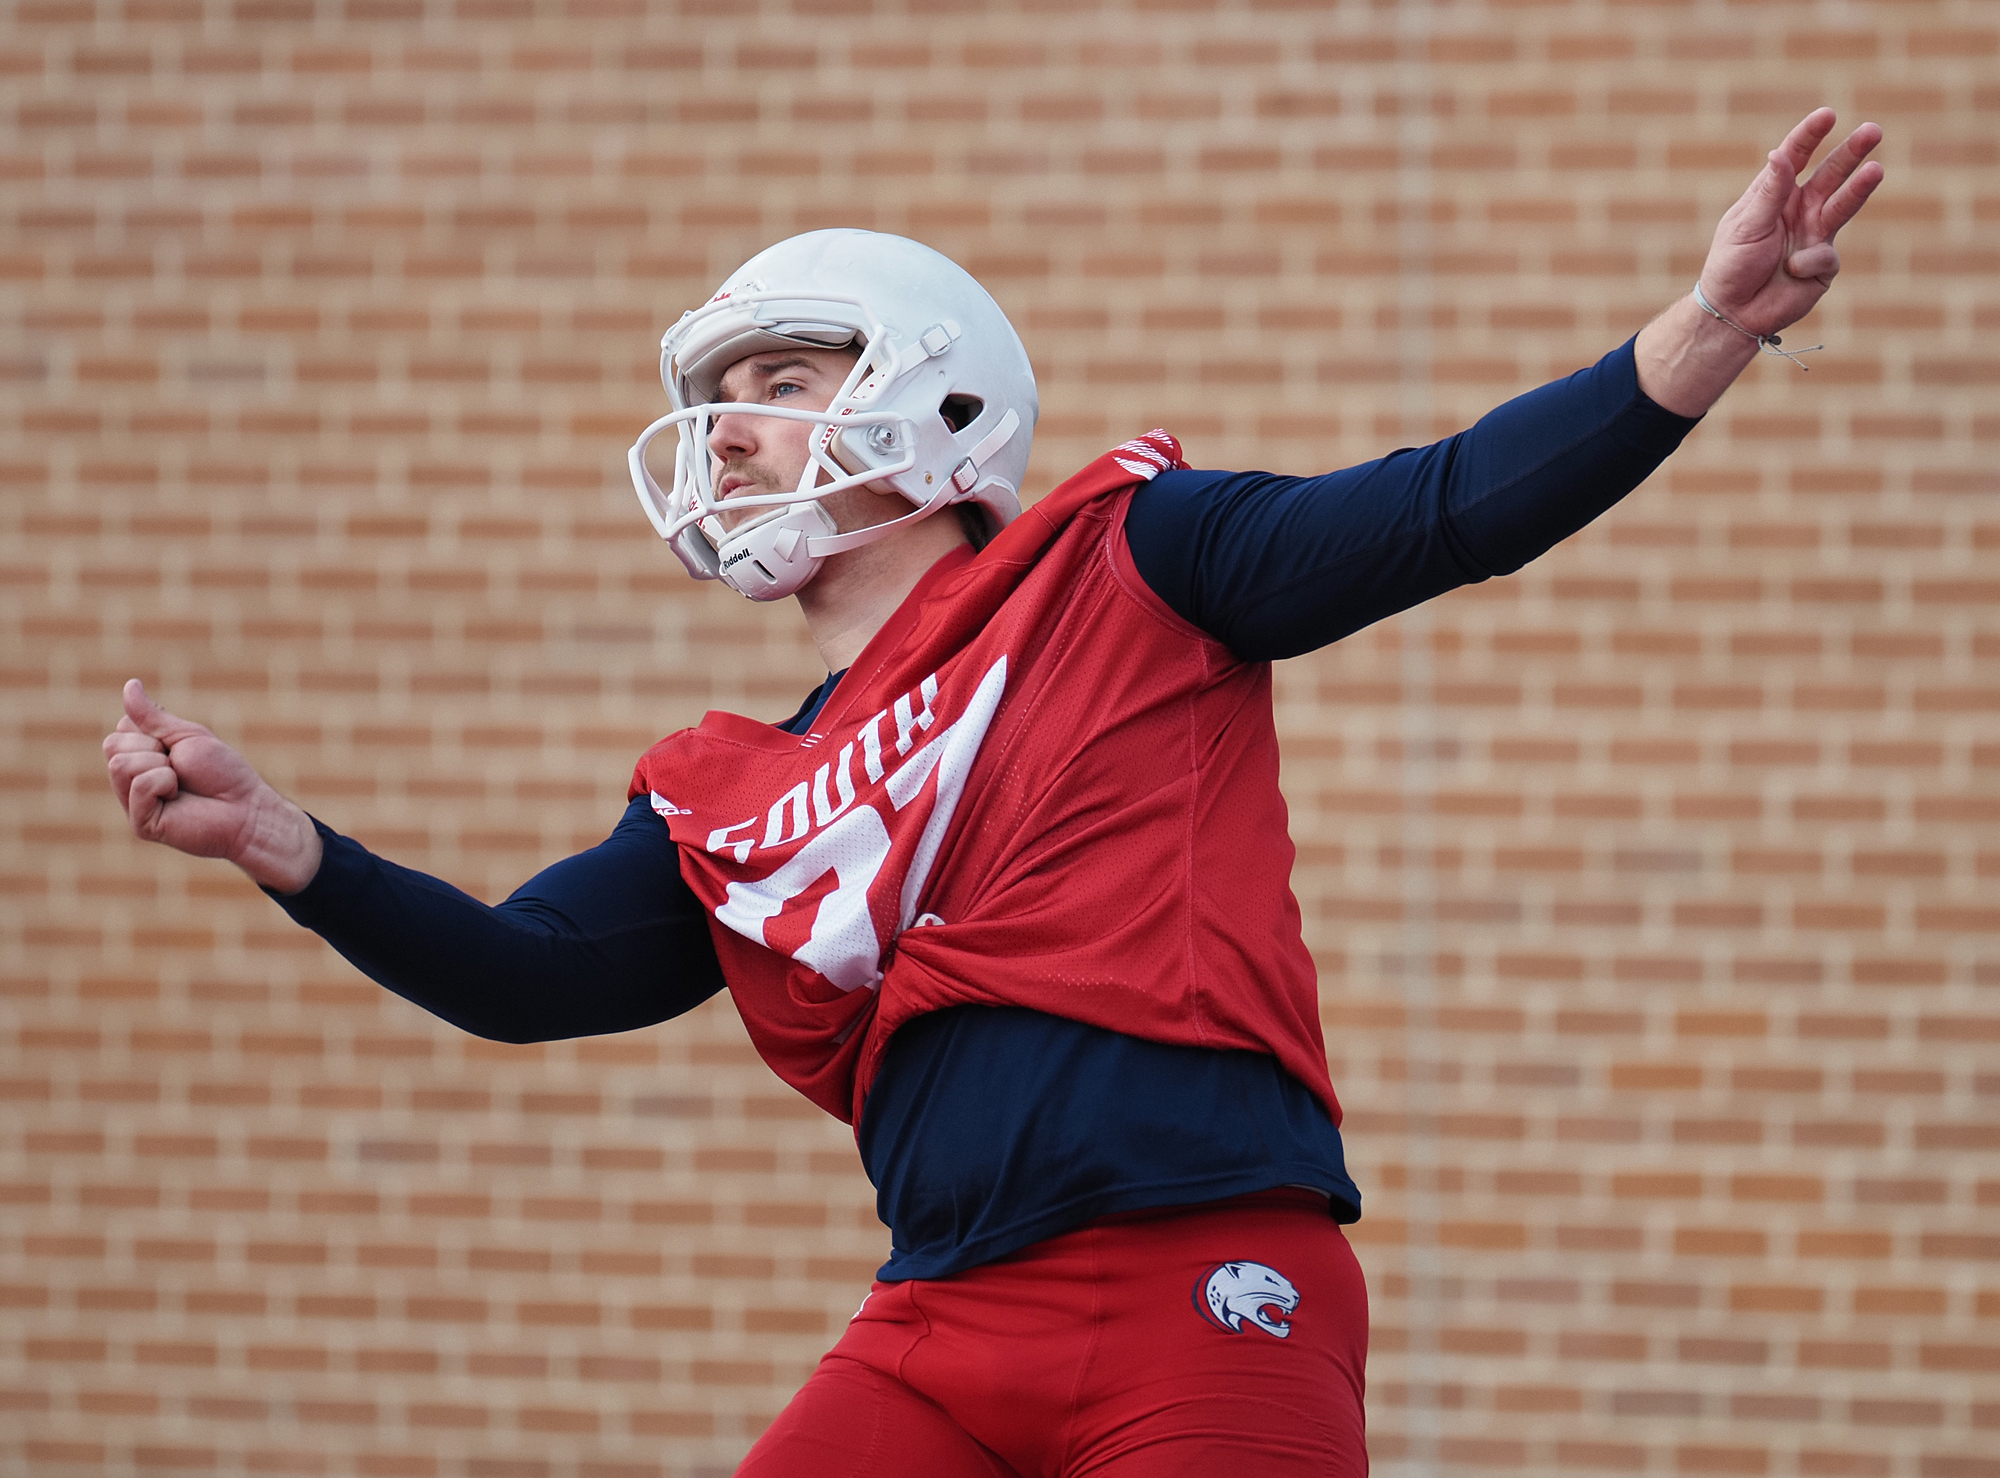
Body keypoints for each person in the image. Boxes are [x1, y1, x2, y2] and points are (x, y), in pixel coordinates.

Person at [105, 110, 1881, 1477]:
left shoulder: (1135, 557)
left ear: (924, 399)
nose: (726, 429)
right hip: (941, 1315)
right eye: (716, 399)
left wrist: (1703, 330)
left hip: (1209, 1278)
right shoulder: (741, 782)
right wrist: (291, 846)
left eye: (776, 384)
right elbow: (529, 971)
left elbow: (1441, 508)